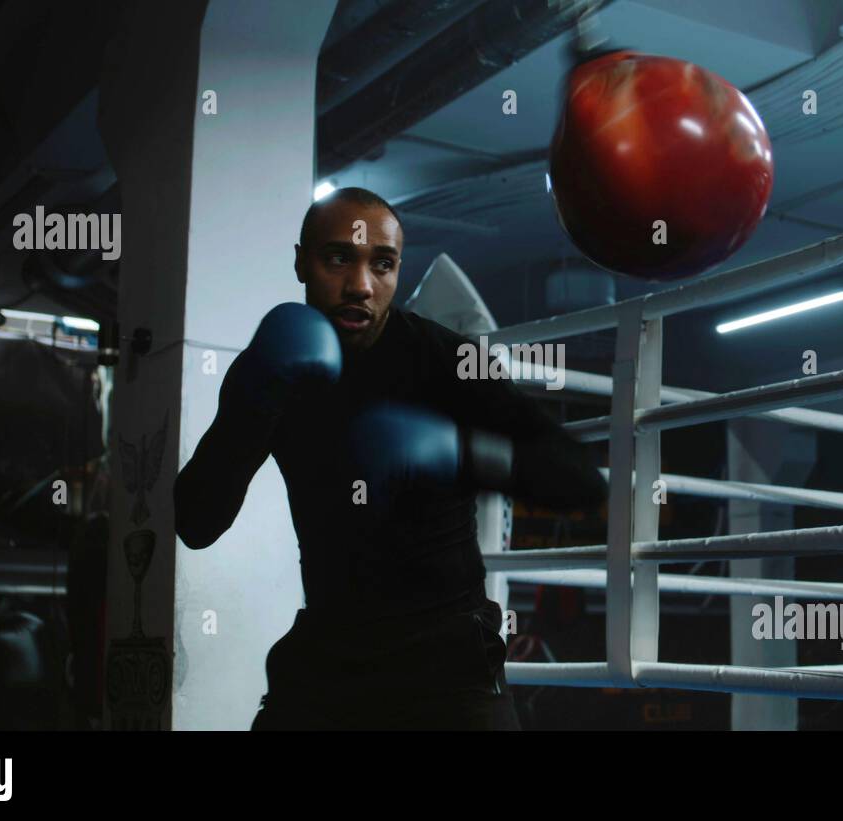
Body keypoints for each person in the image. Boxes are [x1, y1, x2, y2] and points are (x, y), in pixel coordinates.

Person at [173, 187, 607, 730]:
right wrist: (255, 404)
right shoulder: (270, 370)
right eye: (338, 258)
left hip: (450, 663)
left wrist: (460, 454)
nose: (360, 286)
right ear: (301, 262)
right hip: (330, 654)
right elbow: (195, 521)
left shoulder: (447, 360)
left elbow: (581, 479)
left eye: (382, 264)